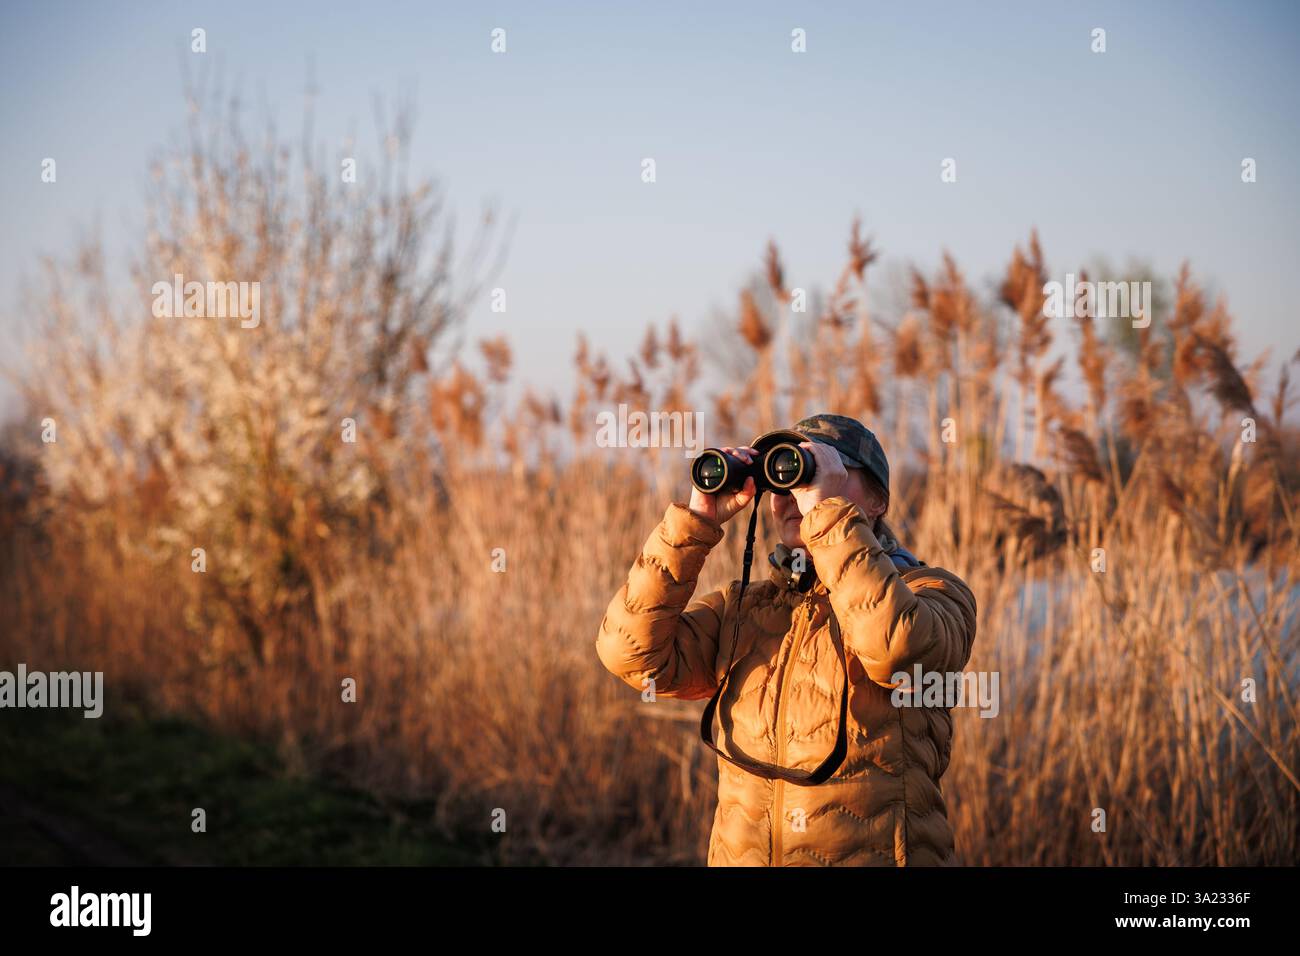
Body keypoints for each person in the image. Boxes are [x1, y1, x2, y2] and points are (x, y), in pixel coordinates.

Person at [596, 414, 978, 866]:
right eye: (782, 477)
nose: (792, 494)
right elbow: (631, 656)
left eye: (816, 470)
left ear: (877, 500)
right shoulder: (741, 610)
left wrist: (828, 516)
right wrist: (695, 524)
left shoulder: (931, 593)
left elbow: (895, 651)